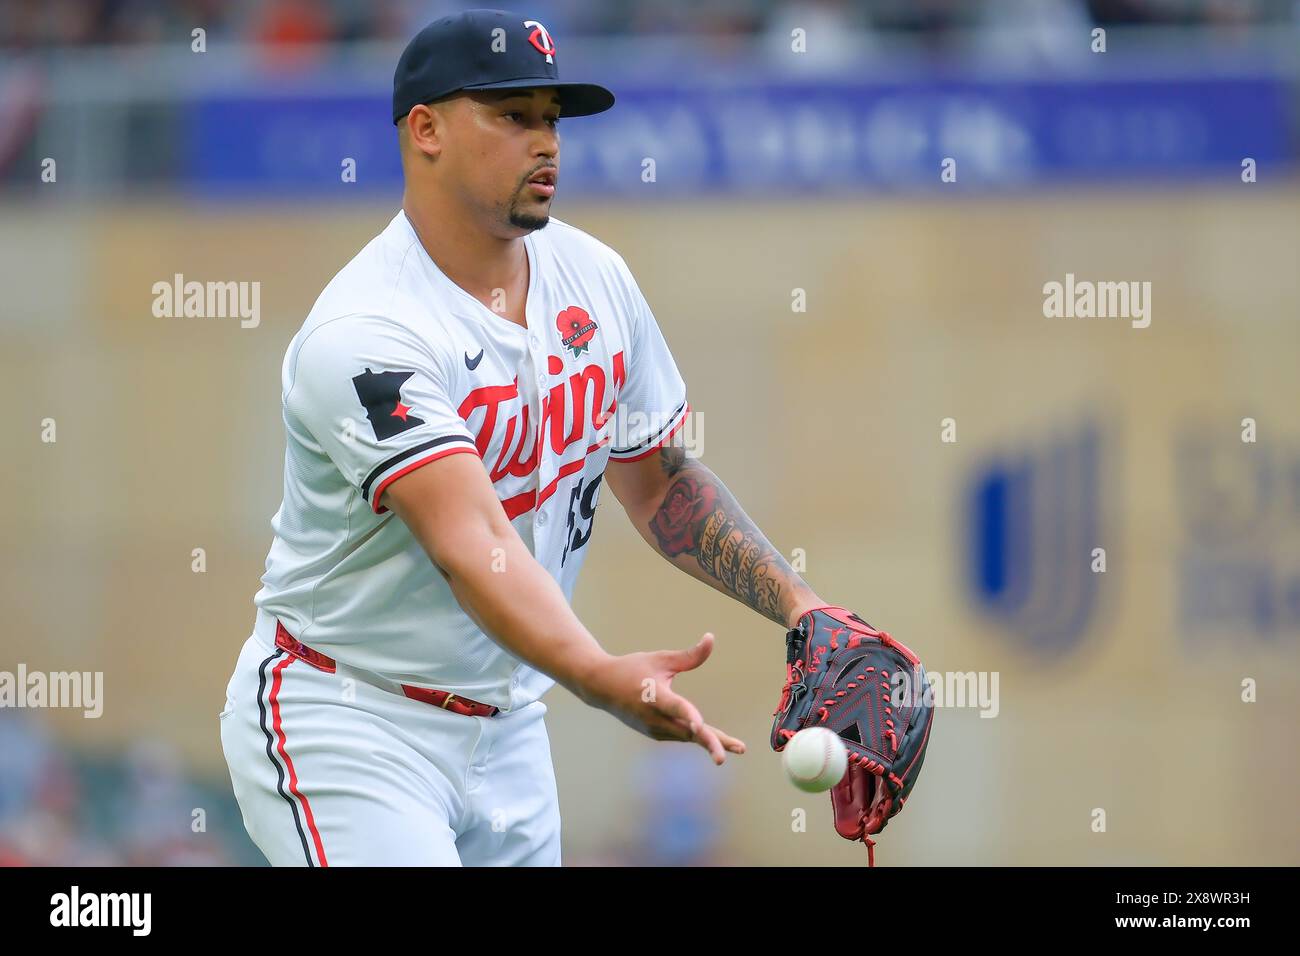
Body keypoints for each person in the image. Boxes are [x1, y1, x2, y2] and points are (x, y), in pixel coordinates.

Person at [219, 9, 828, 866]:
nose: (546, 141)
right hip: (349, 719)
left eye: (551, 117)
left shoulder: (595, 277)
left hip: (508, 728)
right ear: (424, 129)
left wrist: (800, 607)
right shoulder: (366, 331)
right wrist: (596, 673)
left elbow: (657, 484)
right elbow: (470, 544)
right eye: (512, 115)